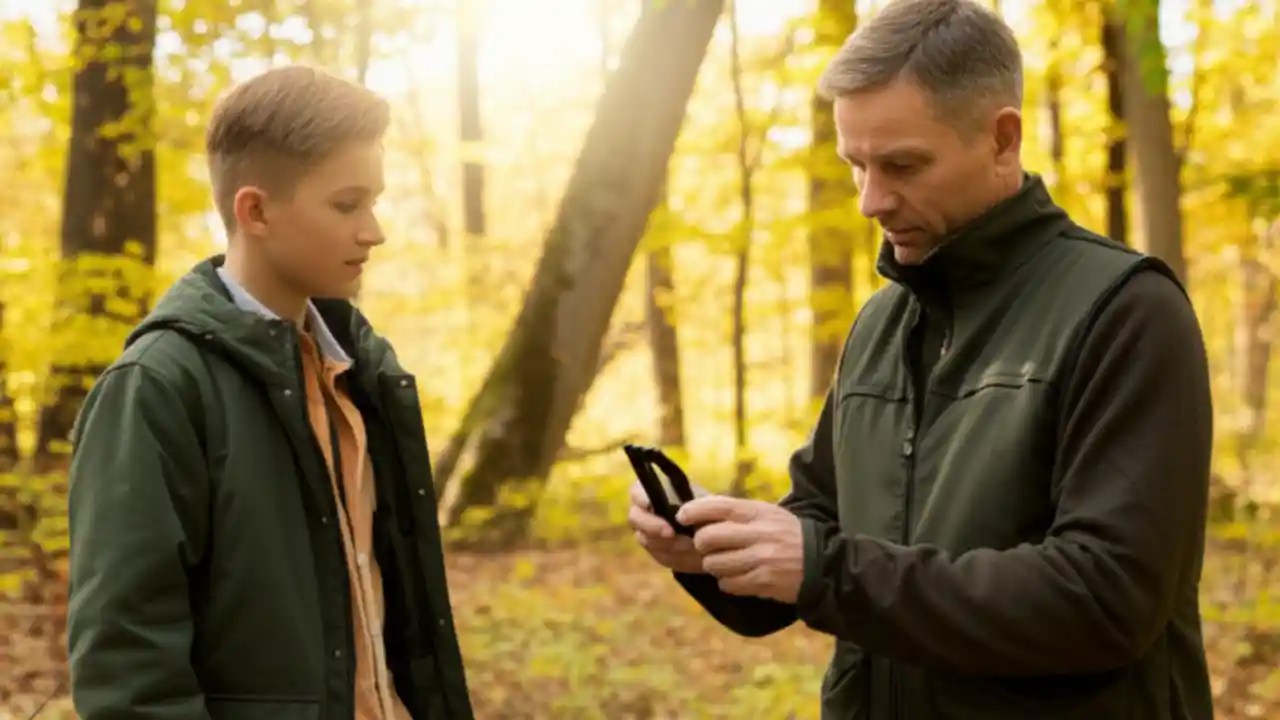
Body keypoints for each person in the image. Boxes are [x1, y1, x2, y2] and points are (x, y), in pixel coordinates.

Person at [628, 0, 1215, 717]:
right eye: (856, 166)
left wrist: (825, 569)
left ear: (1002, 139)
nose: (871, 200)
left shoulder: (1125, 312)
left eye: (902, 165)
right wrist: (715, 551)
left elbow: (1103, 600)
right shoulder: (882, 324)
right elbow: (820, 526)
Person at [66, 65, 473, 719]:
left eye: (373, 202)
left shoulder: (363, 371)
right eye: (347, 204)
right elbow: (129, 669)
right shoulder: (159, 388)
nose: (374, 230)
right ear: (254, 210)